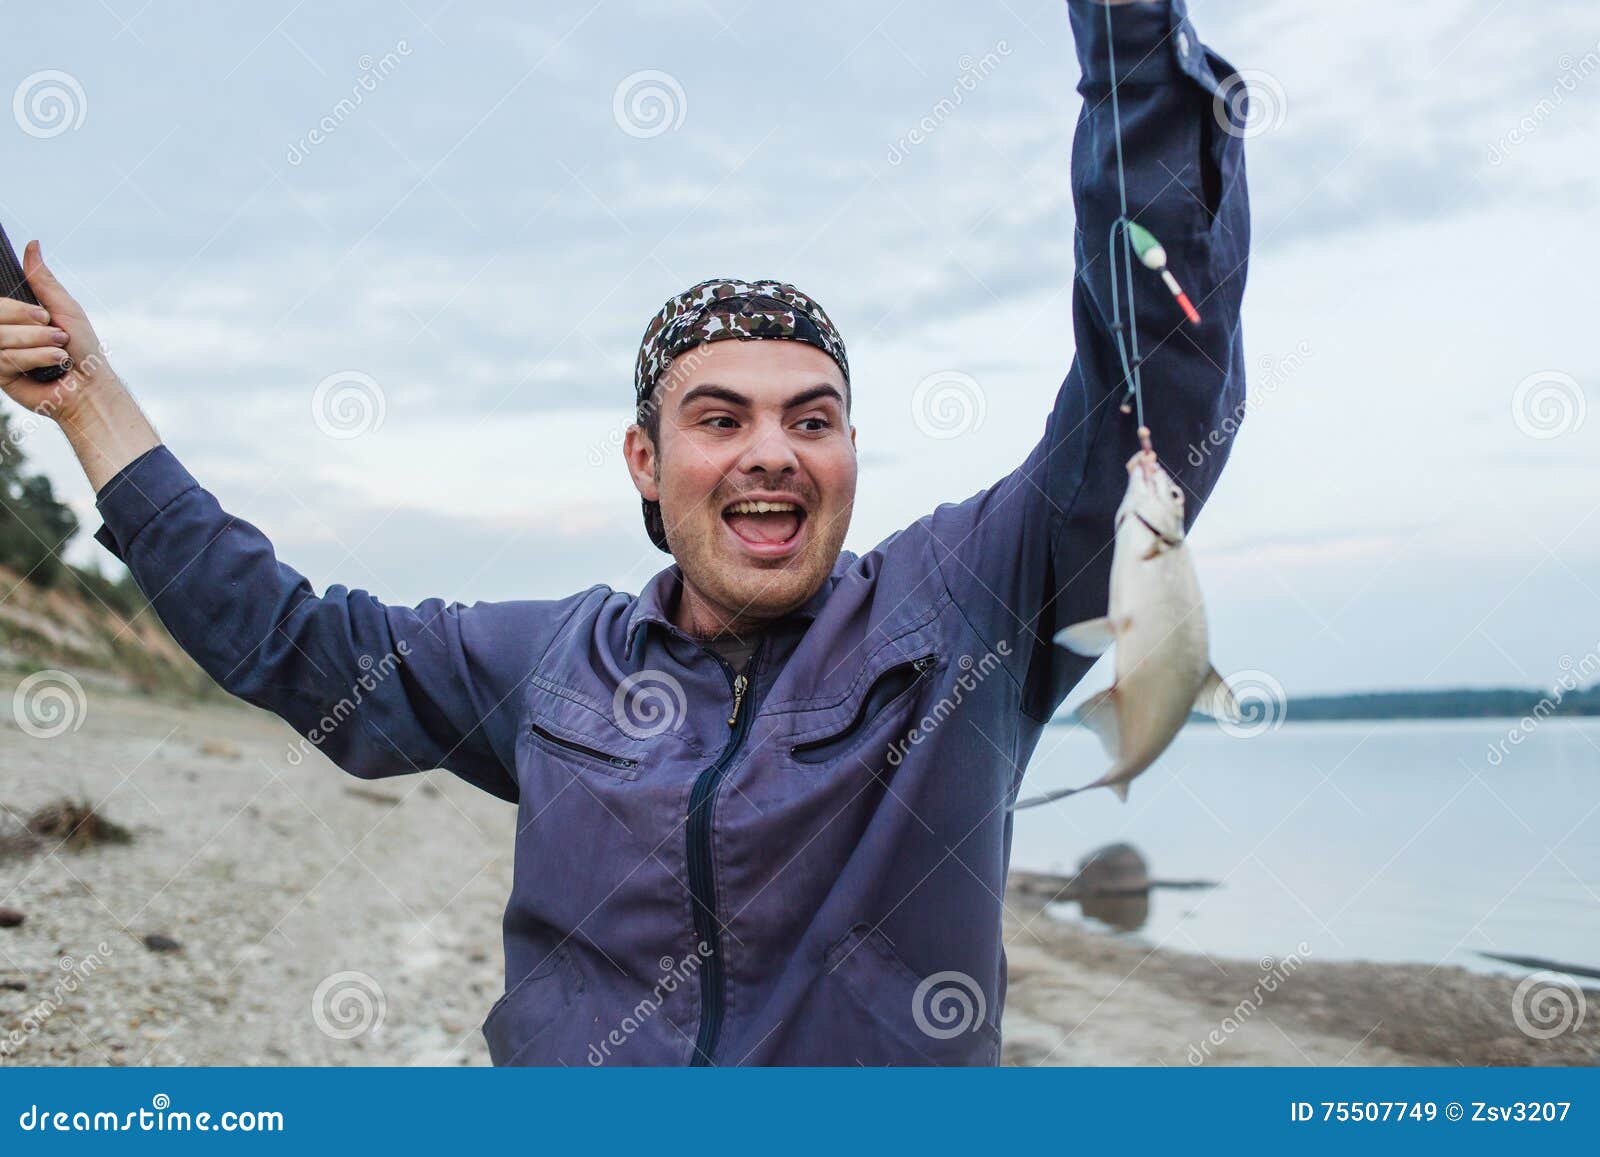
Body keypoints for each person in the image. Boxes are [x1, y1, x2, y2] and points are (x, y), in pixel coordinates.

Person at [0, 0, 1249, 1065]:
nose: (771, 448)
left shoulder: (969, 604)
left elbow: (1157, 373)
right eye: (721, 417)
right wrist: (89, 403)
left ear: (850, 456)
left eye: (812, 418)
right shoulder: (551, 663)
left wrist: (1128, 39)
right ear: (647, 464)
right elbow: (288, 639)